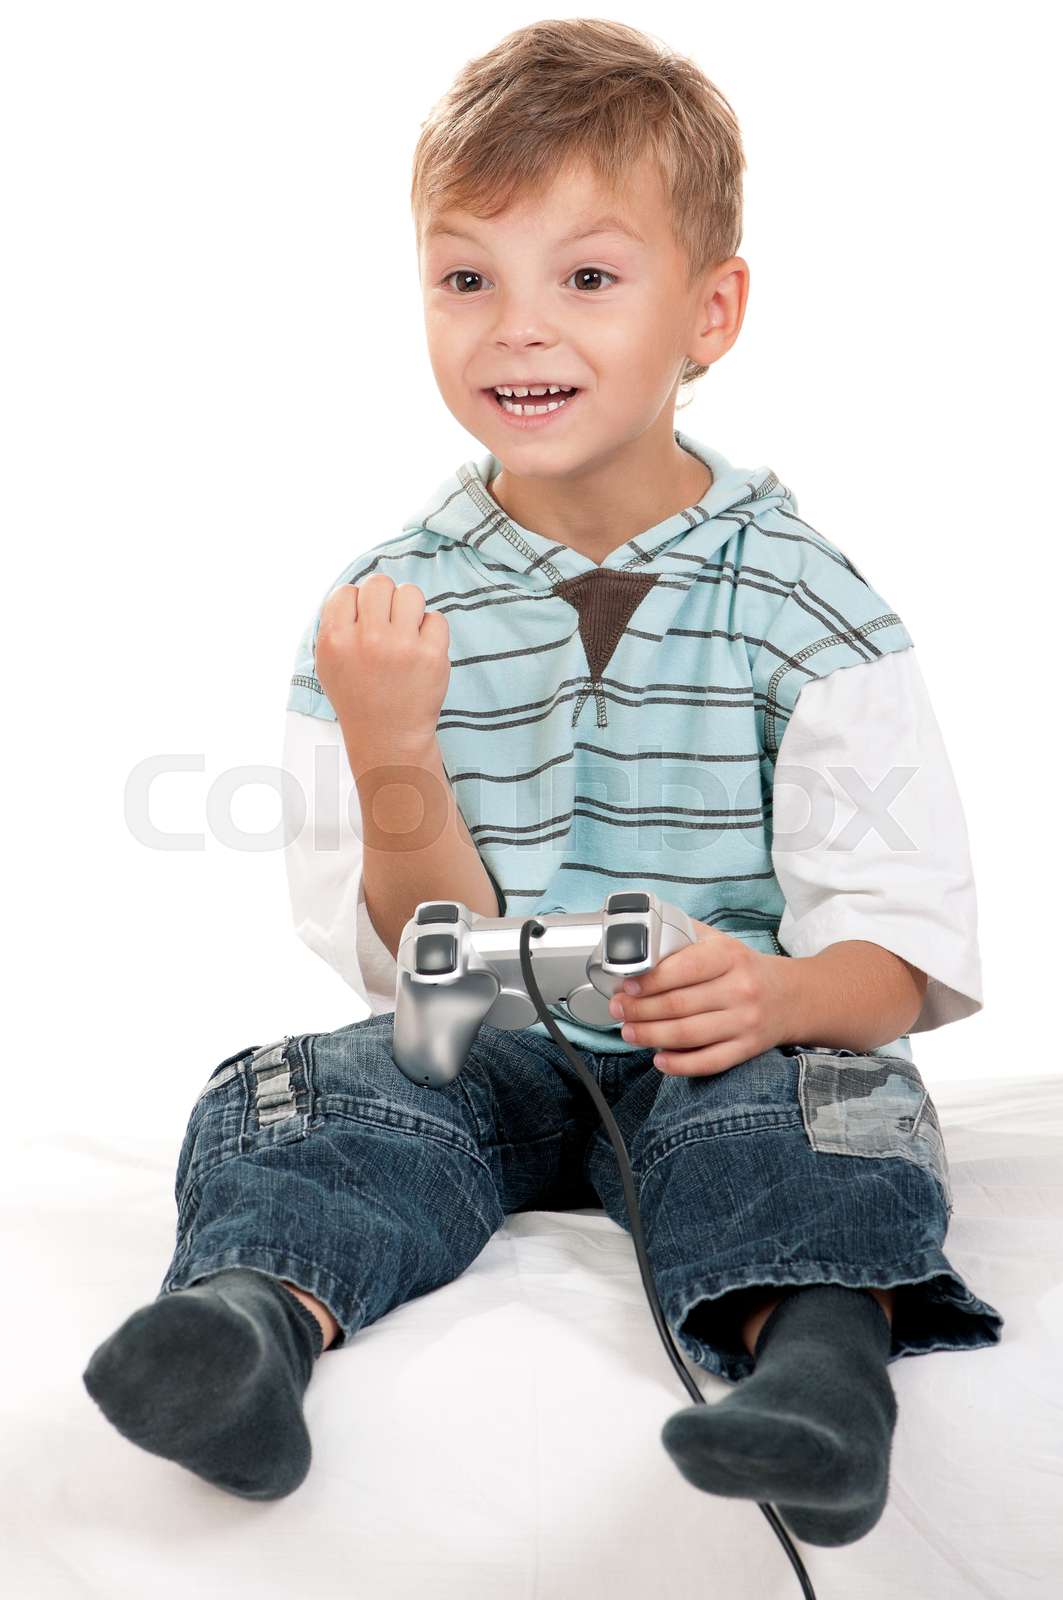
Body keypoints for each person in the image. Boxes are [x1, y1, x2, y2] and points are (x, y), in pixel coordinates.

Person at [82, 18, 1003, 1546]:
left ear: (710, 313)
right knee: (342, 1094)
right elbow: (418, 964)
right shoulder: (382, 610)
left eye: (585, 278)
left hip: (716, 1045)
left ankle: (823, 1382)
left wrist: (772, 999)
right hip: (485, 1047)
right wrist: (390, 750)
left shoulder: (810, 607)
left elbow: (901, 960)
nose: (518, 329)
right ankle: (248, 1328)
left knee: (804, 1113)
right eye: (467, 279)